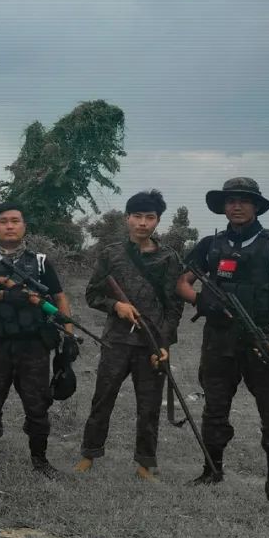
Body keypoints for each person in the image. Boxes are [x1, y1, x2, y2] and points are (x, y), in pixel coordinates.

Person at [176, 178, 269, 501]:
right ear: (223, 206)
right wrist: (200, 301)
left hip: (262, 339)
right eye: (231, 200)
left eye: (244, 200)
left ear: (256, 206)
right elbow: (181, 281)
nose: (236, 206)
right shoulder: (210, 245)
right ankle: (212, 472)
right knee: (214, 408)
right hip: (219, 341)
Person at [0, 202, 78, 478]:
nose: (10, 226)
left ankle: (40, 461)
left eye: (15, 221)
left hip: (33, 344)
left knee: (38, 403)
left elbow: (60, 296)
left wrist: (69, 334)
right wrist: (2, 295)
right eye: (3, 221)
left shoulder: (39, 261)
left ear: (24, 226)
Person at [75, 190, 184, 480]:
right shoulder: (111, 253)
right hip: (117, 341)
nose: (143, 223)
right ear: (127, 218)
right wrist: (116, 305)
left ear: (158, 222)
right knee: (102, 399)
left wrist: (164, 345)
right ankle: (89, 454)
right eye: (137, 216)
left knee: (149, 406)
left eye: (150, 218)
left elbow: (174, 307)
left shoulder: (169, 258)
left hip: (151, 343)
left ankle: (145, 464)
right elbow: (92, 294)